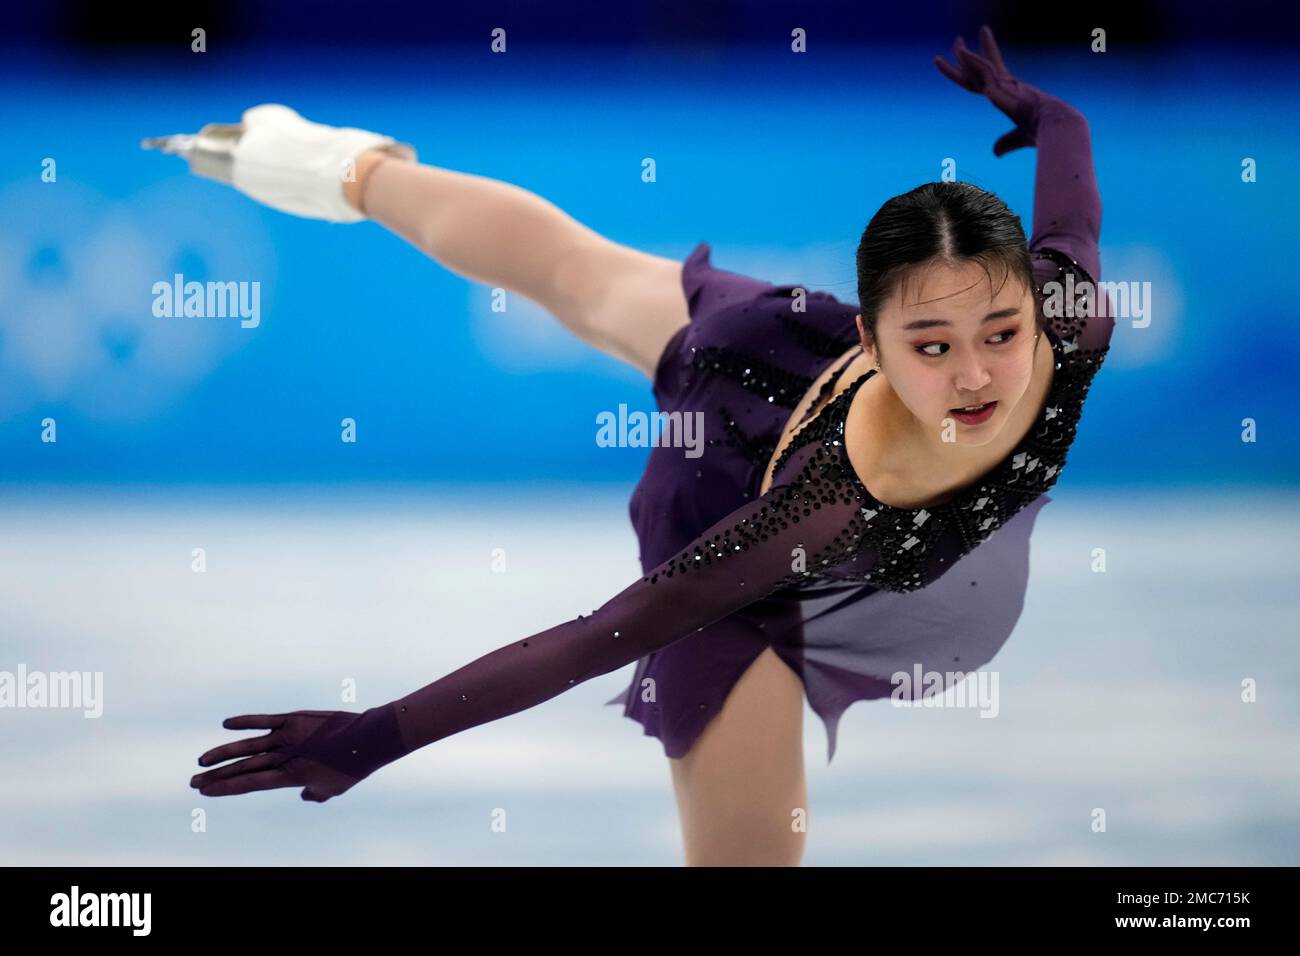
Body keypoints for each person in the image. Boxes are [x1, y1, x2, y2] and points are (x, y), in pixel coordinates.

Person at [187, 26, 1114, 866]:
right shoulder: (819, 509)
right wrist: (377, 735)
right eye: (932, 348)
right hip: (731, 451)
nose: (977, 379)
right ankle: (324, 165)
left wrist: (1046, 111)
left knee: (576, 272)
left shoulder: (1067, 319)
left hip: (801, 365)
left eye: (1001, 333)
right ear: (870, 345)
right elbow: (598, 637)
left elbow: (1069, 195)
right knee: (568, 272)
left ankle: (313, 158)